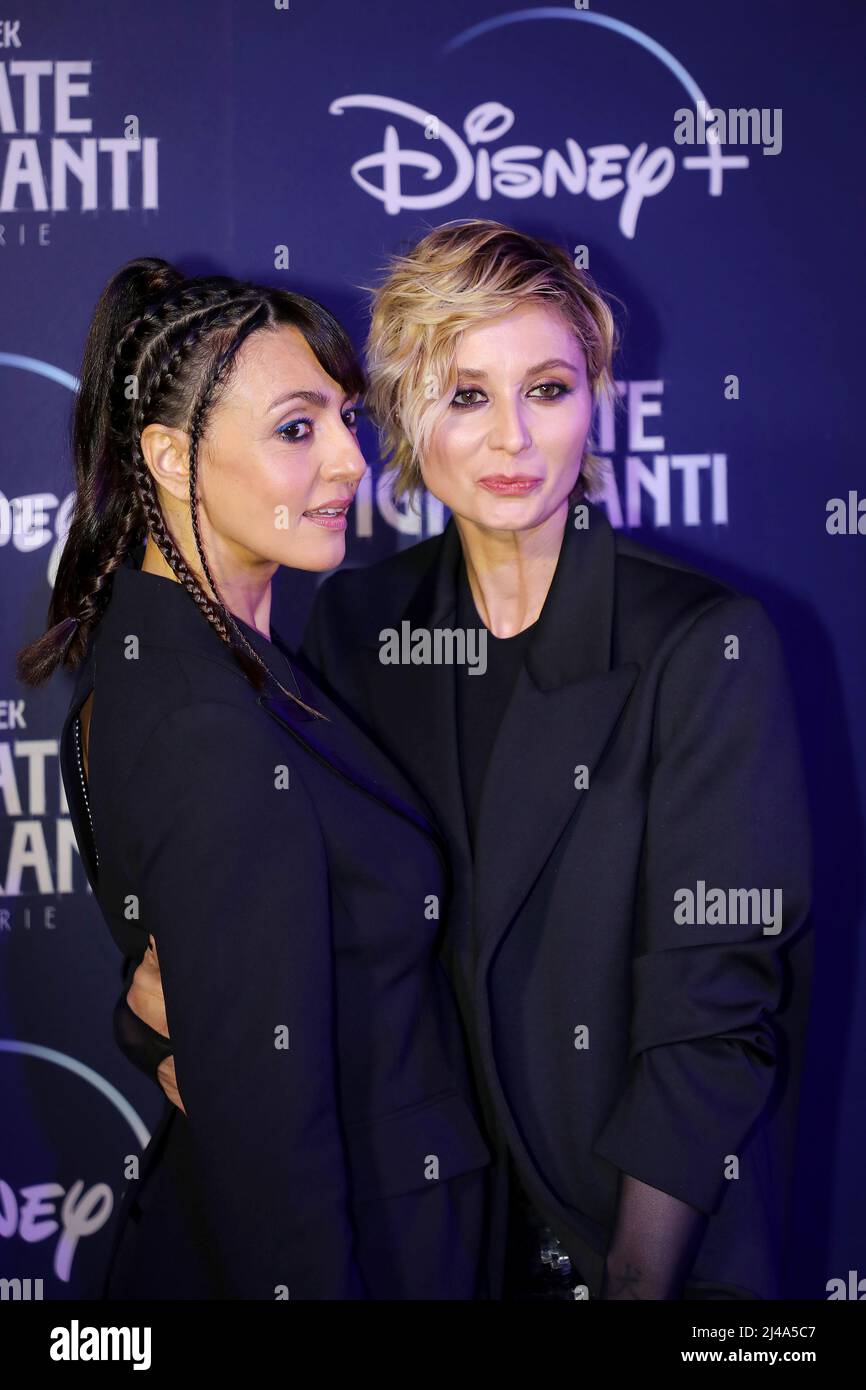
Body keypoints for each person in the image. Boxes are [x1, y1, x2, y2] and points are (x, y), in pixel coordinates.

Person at [124, 220, 814, 1300]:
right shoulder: (354, 625)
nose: (512, 442)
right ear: (403, 413)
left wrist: (634, 1276)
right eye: (464, 395)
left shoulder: (700, 643)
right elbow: (301, 923)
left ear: (594, 401)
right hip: (425, 1245)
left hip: (639, 1247)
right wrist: (164, 1015)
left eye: (546, 388)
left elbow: (711, 1014)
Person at [17, 258, 492, 1300]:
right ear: (171, 459)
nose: (347, 464)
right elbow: (272, 1155)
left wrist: (151, 1024)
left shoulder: (198, 664)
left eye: (343, 420)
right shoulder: (205, 719)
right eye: (295, 428)